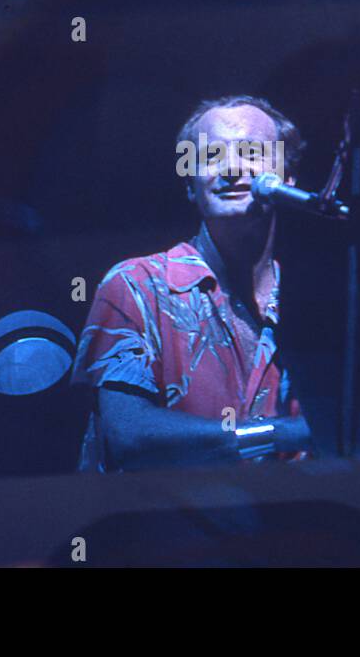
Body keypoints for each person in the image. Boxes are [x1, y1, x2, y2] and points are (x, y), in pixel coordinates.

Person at [70, 95, 313, 471]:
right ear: (190, 185)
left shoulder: (310, 301)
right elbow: (129, 433)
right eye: (212, 155)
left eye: (252, 152)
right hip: (161, 524)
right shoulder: (136, 285)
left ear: (288, 177)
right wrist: (284, 433)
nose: (232, 168)